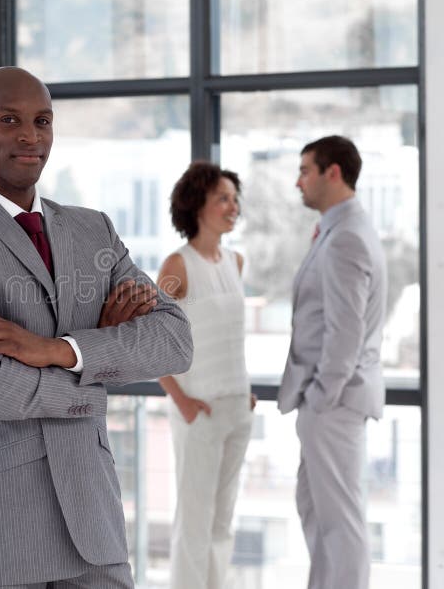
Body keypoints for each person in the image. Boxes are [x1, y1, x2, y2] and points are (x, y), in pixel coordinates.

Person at [0, 66, 194, 589]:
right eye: (9, 120)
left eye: (43, 121)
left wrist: (57, 350)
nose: (30, 136)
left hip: (94, 529)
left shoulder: (92, 228)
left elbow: (174, 339)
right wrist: (96, 380)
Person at [278, 135, 387, 589]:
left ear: (333, 172)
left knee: (340, 523)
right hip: (328, 401)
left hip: (334, 403)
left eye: (306, 170)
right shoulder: (340, 230)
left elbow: (346, 332)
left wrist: (321, 400)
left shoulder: (347, 238)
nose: (299, 181)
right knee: (318, 512)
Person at [157, 161, 255, 589]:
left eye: (235, 198)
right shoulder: (178, 266)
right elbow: (152, 339)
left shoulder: (237, 260)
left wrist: (246, 393)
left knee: (223, 521)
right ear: (197, 204)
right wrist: (180, 400)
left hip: (238, 407)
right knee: (195, 523)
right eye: (223, 198)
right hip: (198, 410)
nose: (233, 207)